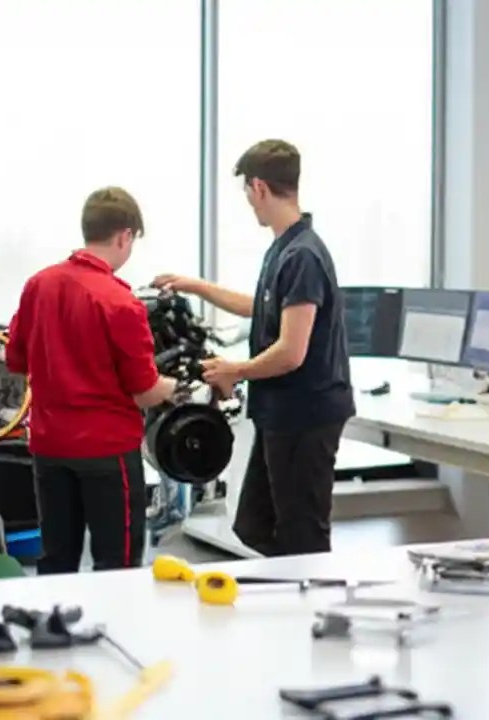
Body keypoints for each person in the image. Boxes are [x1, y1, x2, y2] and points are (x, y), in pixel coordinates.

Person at [154, 138, 355, 557]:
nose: (250, 203)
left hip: (306, 415)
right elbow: (260, 307)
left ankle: (309, 612)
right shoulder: (283, 250)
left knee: (302, 534)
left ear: (258, 187)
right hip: (279, 413)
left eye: (248, 192)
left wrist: (234, 370)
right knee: (256, 525)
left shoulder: (303, 256)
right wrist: (196, 286)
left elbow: (291, 351)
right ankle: (285, 602)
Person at [5, 187, 179, 574]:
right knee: (116, 565)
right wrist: (176, 387)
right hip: (107, 452)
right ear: (125, 236)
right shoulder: (121, 302)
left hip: (49, 447)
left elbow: (15, 360)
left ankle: (53, 631)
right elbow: (145, 392)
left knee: (56, 560)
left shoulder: (38, 285)